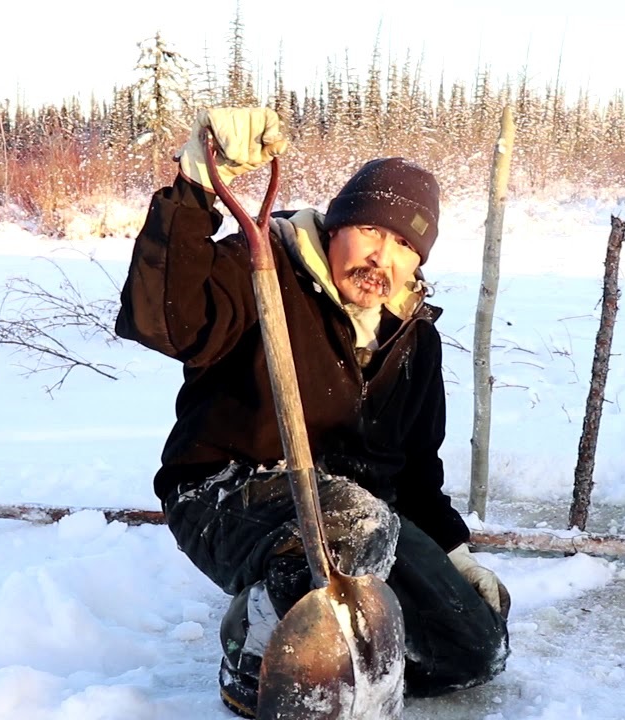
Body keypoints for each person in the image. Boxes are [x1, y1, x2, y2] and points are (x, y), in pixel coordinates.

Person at [115, 107, 510, 717]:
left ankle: (333, 619)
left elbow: (414, 472)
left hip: (359, 517)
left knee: (472, 650)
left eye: (405, 244)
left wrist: (454, 554)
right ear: (336, 225)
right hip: (225, 491)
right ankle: (257, 650)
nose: (383, 257)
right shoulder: (262, 268)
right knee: (354, 525)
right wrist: (195, 189)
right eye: (371, 232)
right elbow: (166, 319)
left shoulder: (414, 340)